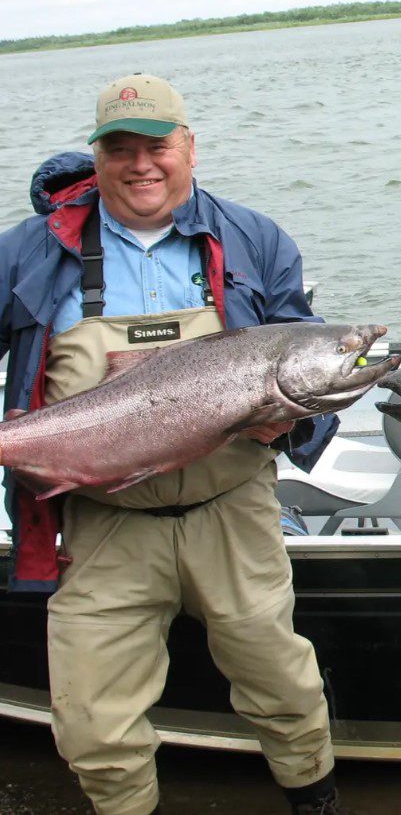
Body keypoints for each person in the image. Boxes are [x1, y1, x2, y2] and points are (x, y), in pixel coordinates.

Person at [0, 74, 344, 815]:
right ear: (97, 157)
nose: (141, 164)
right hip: (102, 524)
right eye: (119, 148)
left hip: (233, 509)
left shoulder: (253, 238)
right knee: (93, 723)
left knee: (285, 687)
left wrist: (293, 422)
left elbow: (306, 359)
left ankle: (315, 798)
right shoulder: (29, 252)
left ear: (189, 146)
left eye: (156, 145)